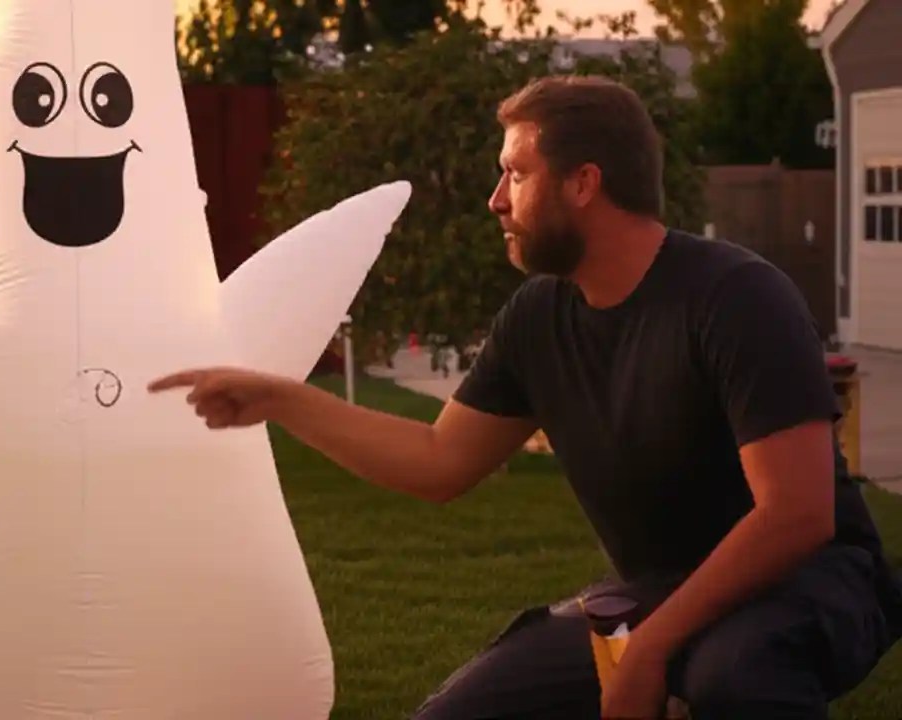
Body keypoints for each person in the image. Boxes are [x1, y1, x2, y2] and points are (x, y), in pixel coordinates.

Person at [148, 74, 902, 719]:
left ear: (584, 182)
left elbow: (797, 517)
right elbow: (439, 461)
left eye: (515, 173)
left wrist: (654, 649)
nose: (494, 200)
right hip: (654, 595)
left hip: (812, 582)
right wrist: (283, 399)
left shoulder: (736, 298)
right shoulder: (540, 318)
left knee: (730, 679)